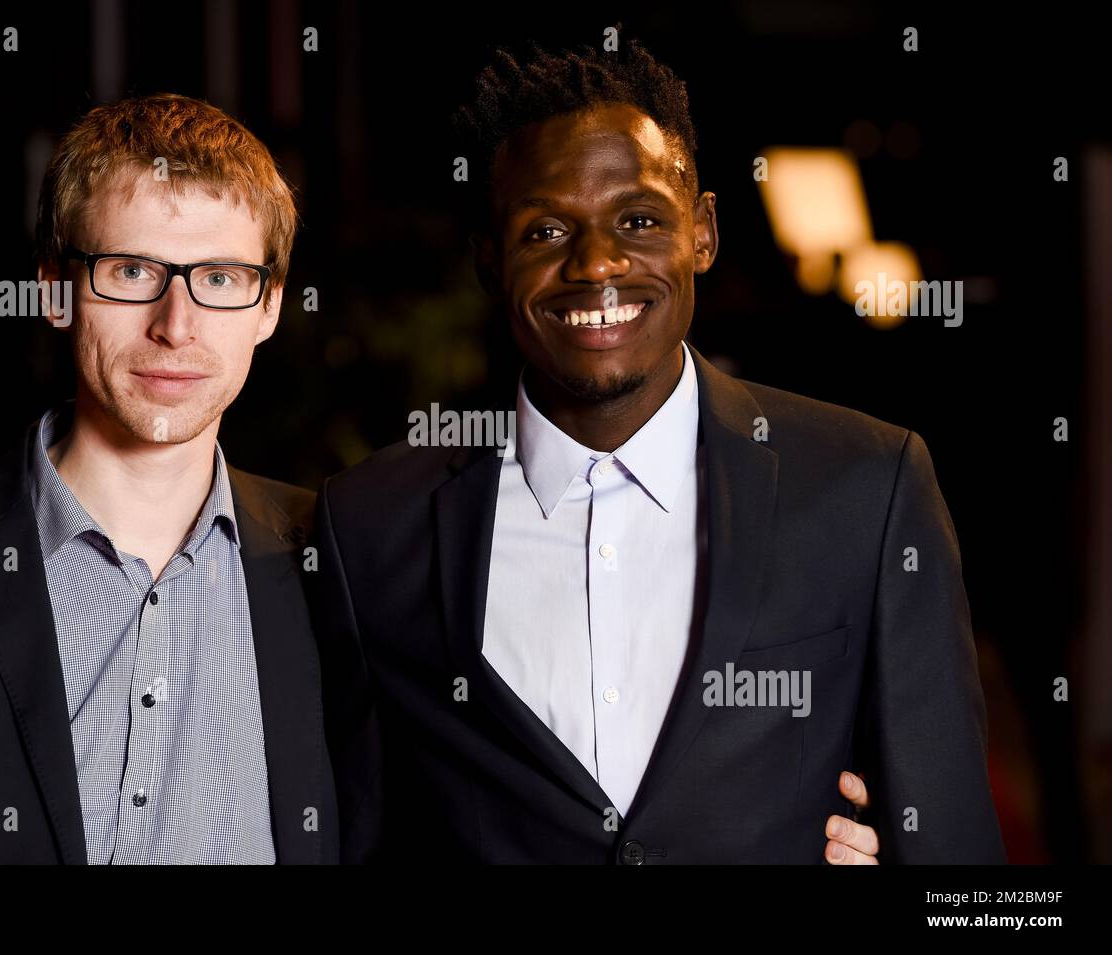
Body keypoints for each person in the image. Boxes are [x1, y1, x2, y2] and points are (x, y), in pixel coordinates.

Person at [310, 40, 1007, 864]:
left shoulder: (868, 484)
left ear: (702, 233)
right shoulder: (367, 525)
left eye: (638, 221)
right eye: (546, 229)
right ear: (490, 263)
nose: (597, 262)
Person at [0, 94, 335, 864]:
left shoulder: (338, 561)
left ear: (270, 306)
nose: (176, 324)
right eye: (131, 270)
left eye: (220, 278)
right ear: (56, 289)